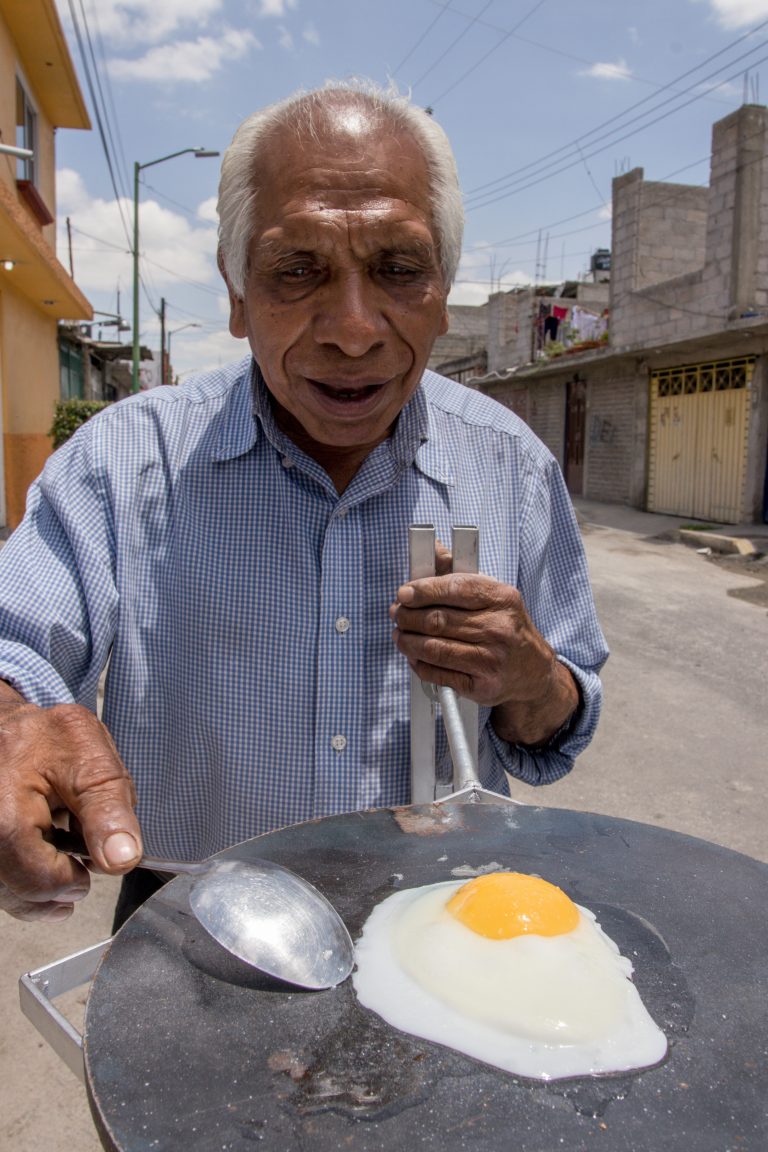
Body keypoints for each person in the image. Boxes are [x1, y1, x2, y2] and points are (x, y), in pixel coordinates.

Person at [0, 80, 608, 928]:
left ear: (442, 288)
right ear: (237, 292)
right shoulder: (121, 462)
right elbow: (16, 645)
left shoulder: (513, 469)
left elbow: (558, 728)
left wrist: (533, 679)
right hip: (191, 927)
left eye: (398, 268)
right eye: (299, 269)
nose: (354, 329)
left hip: (438, 919)